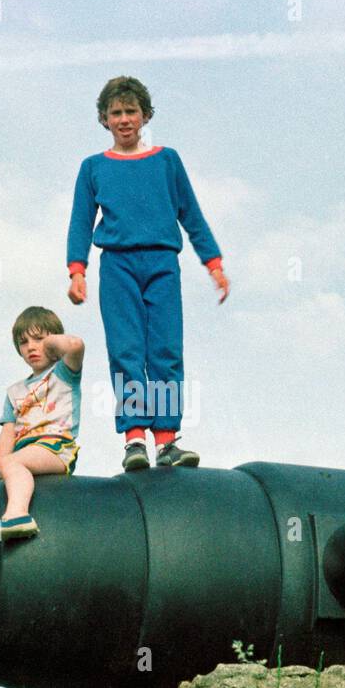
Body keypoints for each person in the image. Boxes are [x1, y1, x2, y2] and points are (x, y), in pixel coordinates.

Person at [66, 75, 230, 471]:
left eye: (131, 112)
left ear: (145, 116)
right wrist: (77, 270)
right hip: (118, 265)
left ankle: (167, 439)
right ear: (104, 119)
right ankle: (135, 437)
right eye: (116, 113)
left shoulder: (166, 160)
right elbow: (80, 222)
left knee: (166, 351)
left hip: (162, 265)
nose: (124, 119)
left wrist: (213, 263)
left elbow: (190, 213)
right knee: (126, 350)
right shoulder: (93, 168)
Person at [0, 307, 84, 543]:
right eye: (23, 342)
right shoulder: (14, 391)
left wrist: (52, 343)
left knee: (12, 461)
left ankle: (18, 515)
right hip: (24, 453)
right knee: (9, 462)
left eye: (39, 339)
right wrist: (0, 468)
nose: (31, 347)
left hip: (56, 447)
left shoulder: (64, 373)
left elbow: (76, 344)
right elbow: (7, 433)